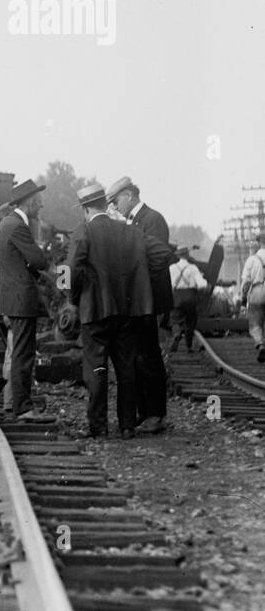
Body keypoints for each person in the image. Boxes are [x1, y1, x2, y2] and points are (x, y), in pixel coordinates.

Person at [68, 184, 166, 439]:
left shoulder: (83, 231)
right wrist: (139, 282)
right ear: (105, 204)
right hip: (126, 313)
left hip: (95, 313)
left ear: (86, 208)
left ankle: (99, 427)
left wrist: (74, 298)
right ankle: (126, 426)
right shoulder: (130, 231)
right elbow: (162, 254)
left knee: (97, 369)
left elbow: (70, 270)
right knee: (126, 370)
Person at [106, 176, 175, 434]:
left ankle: (156, 414)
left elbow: (156, 257)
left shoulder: (153, 219)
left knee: (149, 356)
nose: (114, 206)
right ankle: (145, 412)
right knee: (137, 356)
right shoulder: (135, 221)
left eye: (116, 201)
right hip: (137, 299)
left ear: (129, 195)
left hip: (150, 299)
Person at [0, 179, 48, 419]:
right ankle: (23, 407)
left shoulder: (6, 223)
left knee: (19, 353)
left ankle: (17, 405)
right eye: (39, 201)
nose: (41, 205)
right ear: (30, 202)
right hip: (22, 299)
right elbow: (39, 261)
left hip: (12, 298)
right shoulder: (18, 226)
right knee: (23, 355)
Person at [168, 247, 207, 353]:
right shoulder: (193, 268)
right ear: (187, 255)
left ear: (178, 256)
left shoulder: (172, 268)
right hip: (190, 296)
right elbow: (201, 284)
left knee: (174, 318)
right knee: (190, 321)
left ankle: (176, 334)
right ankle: (189, 346)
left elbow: (169, 284)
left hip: (177, 296)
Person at [239, 232, 265, 363]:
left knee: (255, 321)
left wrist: (243, 300)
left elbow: (245, 283)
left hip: (257, 291)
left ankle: (260, 344)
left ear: (259, 242)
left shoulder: (252, 259)